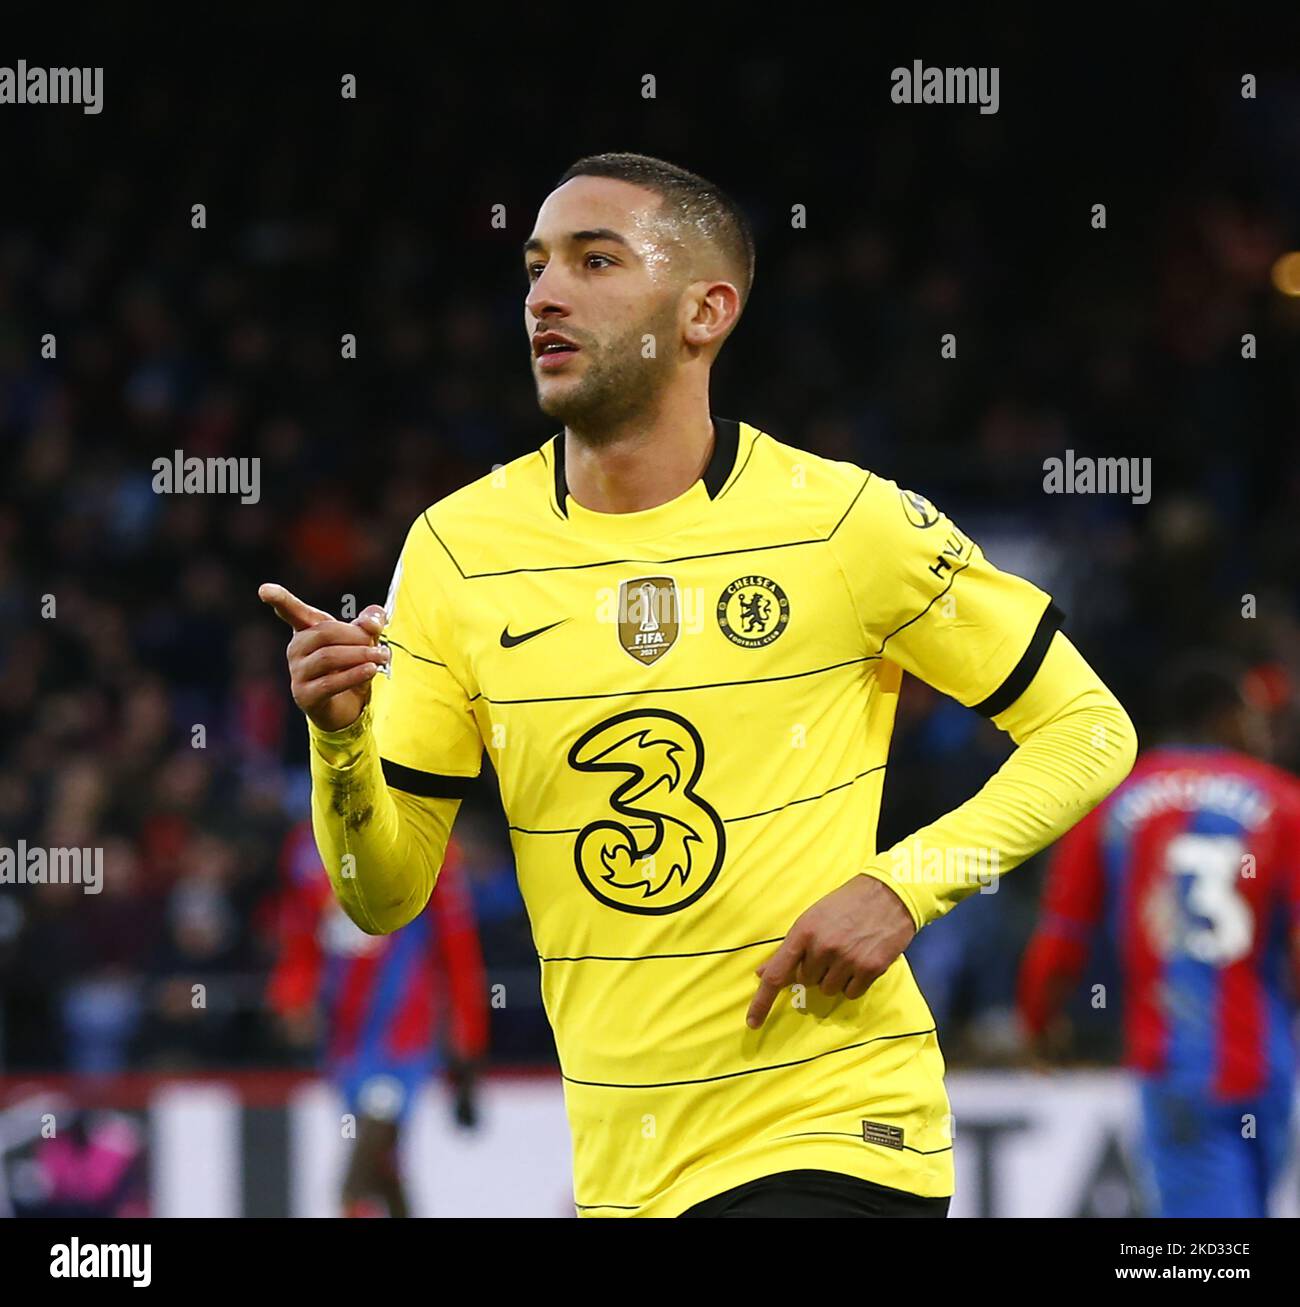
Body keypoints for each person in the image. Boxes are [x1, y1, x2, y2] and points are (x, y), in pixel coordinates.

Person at [260, 152, 1136, 1218]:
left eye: (595, 260)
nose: (545, 291)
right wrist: (339, 738)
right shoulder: (456, 550)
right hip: (622, 1169)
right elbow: (380, 892)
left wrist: (903, 885)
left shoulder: (842, 522)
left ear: (704, 310)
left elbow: (1088, 729)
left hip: (833, 1127)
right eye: (536, 265)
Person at [1018, 654, 1300, 1217]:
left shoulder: (1114, 805)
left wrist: (1040, 1025)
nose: (1262, 731)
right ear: (1223, 718)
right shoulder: (1280, 800)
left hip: (1175, 1065)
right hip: (1266, 1064)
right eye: (1251, 717)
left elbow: (1060, 939)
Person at [267, 820, 488, 1216]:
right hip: (347, 1036)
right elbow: (299, 937)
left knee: (368, 1148)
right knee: (385, 1160)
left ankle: (349, 1201)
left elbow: (457, 947)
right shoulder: (305, 844)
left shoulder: (425, 835)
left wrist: (467, 1035)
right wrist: (294, 999)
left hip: (405, 1030)